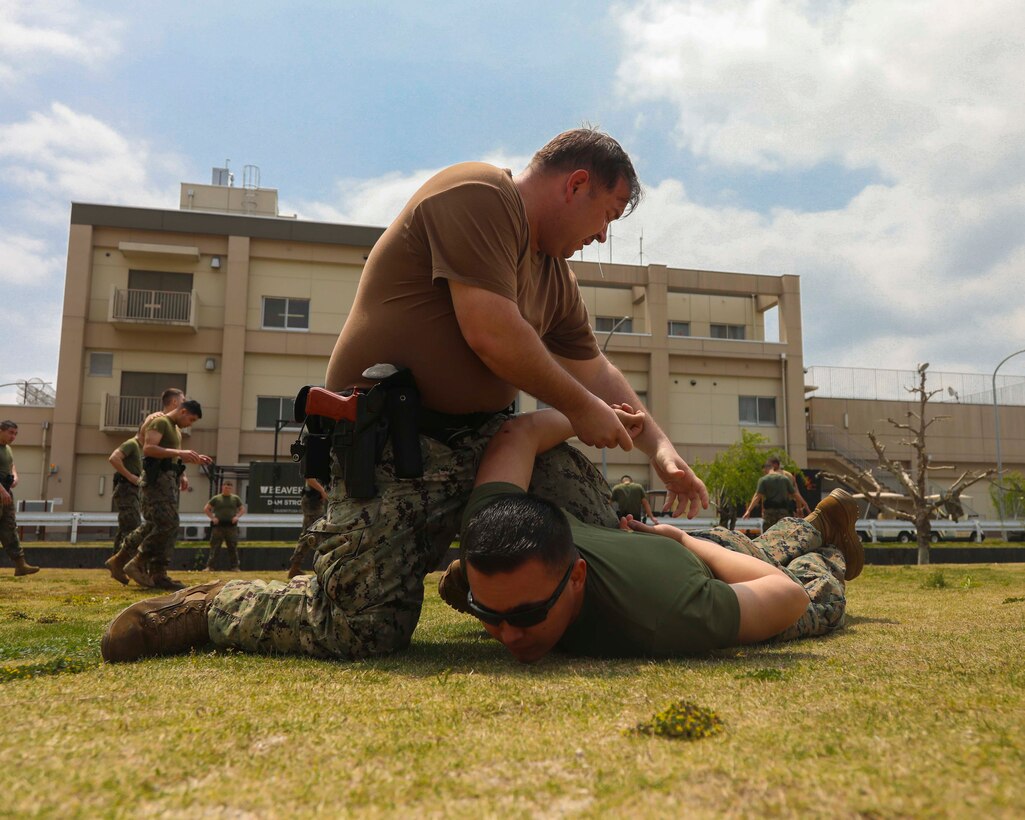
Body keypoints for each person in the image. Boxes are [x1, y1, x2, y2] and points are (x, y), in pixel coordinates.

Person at [99, 127, 707, 662]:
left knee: (597, 544)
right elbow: (492, 331)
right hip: (396, 447)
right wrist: (579, 408)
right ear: (576, 184)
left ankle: (476, 581)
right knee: (360, 629)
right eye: (608, 214)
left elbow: (594, 368)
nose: (602, 236)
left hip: (489, 447)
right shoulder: (479, 194)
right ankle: (214, 604)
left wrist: (660, 449)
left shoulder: (554, 276)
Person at [439, 409, 863, 663]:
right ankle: (817, 524)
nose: (509, 636)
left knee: (818, 596)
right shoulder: (490, 525)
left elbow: (787, 594)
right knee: (758, 546)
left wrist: (684, 541)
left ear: (577, 577)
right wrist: (592, 413)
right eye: (487, 612)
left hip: (704, 564)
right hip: (659, 546)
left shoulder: (659, 616)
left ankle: (825, 543)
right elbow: (518, 432)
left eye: (528, 615)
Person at [119, 400, 212, 591]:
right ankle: (138, 561)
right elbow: (149, 448)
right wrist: (180, 452)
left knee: (167, 525)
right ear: (183, 411)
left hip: (168, 481)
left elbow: (170, 456)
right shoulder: (161, 422)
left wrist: (187, 464)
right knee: (167, 524)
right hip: (157, 482)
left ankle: (158, 574)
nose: (190, 424)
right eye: (191, 419)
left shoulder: (174, 429)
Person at [104, 387, 185, 583]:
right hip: (148, 485)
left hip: (165, 482)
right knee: (152, 524)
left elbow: (174, 454)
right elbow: (119, 455)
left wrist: (181, 474)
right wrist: (133, 477)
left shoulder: (174, 428)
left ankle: (142, 568)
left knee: (153, 525)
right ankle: (130, 562)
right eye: (183, 399)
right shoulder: (156, 421)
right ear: (175, 402)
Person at [0, 420, 40, 576]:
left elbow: (12, 465)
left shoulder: (8, 449)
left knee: (9, 527)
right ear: (1, 430)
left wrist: (15, 476)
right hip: (2, 491)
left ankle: (20, 565)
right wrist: (2, 490)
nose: (13, 437)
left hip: (6, 493)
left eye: (15, 434)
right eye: (10, 433)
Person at [105, 431, 144, 578]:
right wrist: (130, 476)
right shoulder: (131, 444)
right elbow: (114, 458)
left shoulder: (137, 447)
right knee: (134, 526)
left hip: (130, 491)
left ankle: (116, 565)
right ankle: (125, 565)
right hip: (126, 490)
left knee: (124, 528)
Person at [742, 457, 809, 529]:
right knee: (783, 532)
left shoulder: (764, 480)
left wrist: (748, 511)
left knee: (768, 533)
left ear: (766, 468)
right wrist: (805, 506)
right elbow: (795, 494)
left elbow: (757, 496)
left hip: (769, 512)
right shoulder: (785, 478)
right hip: (783, 511)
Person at [286, 477, 328, 579]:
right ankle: (295, 566)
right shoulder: (314, 468)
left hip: (316, 501)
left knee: (316, 534)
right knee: (308, 535)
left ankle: (296, 567)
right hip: (312, 501)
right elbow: (310, 479)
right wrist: (322, 491)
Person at [203, 481, 246, 572]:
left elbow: (242, 509)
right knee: (215, 547)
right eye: (226, 487)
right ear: (222, 487)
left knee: (232, 546)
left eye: (229, 488)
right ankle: (210, 566)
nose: (227, 489)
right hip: (218, 526)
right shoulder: (216, 498)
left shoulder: (235, 498)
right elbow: (206, 508)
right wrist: (212, 518)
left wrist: (237, 517)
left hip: (231, 526)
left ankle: (235, 567)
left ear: (231, 489)